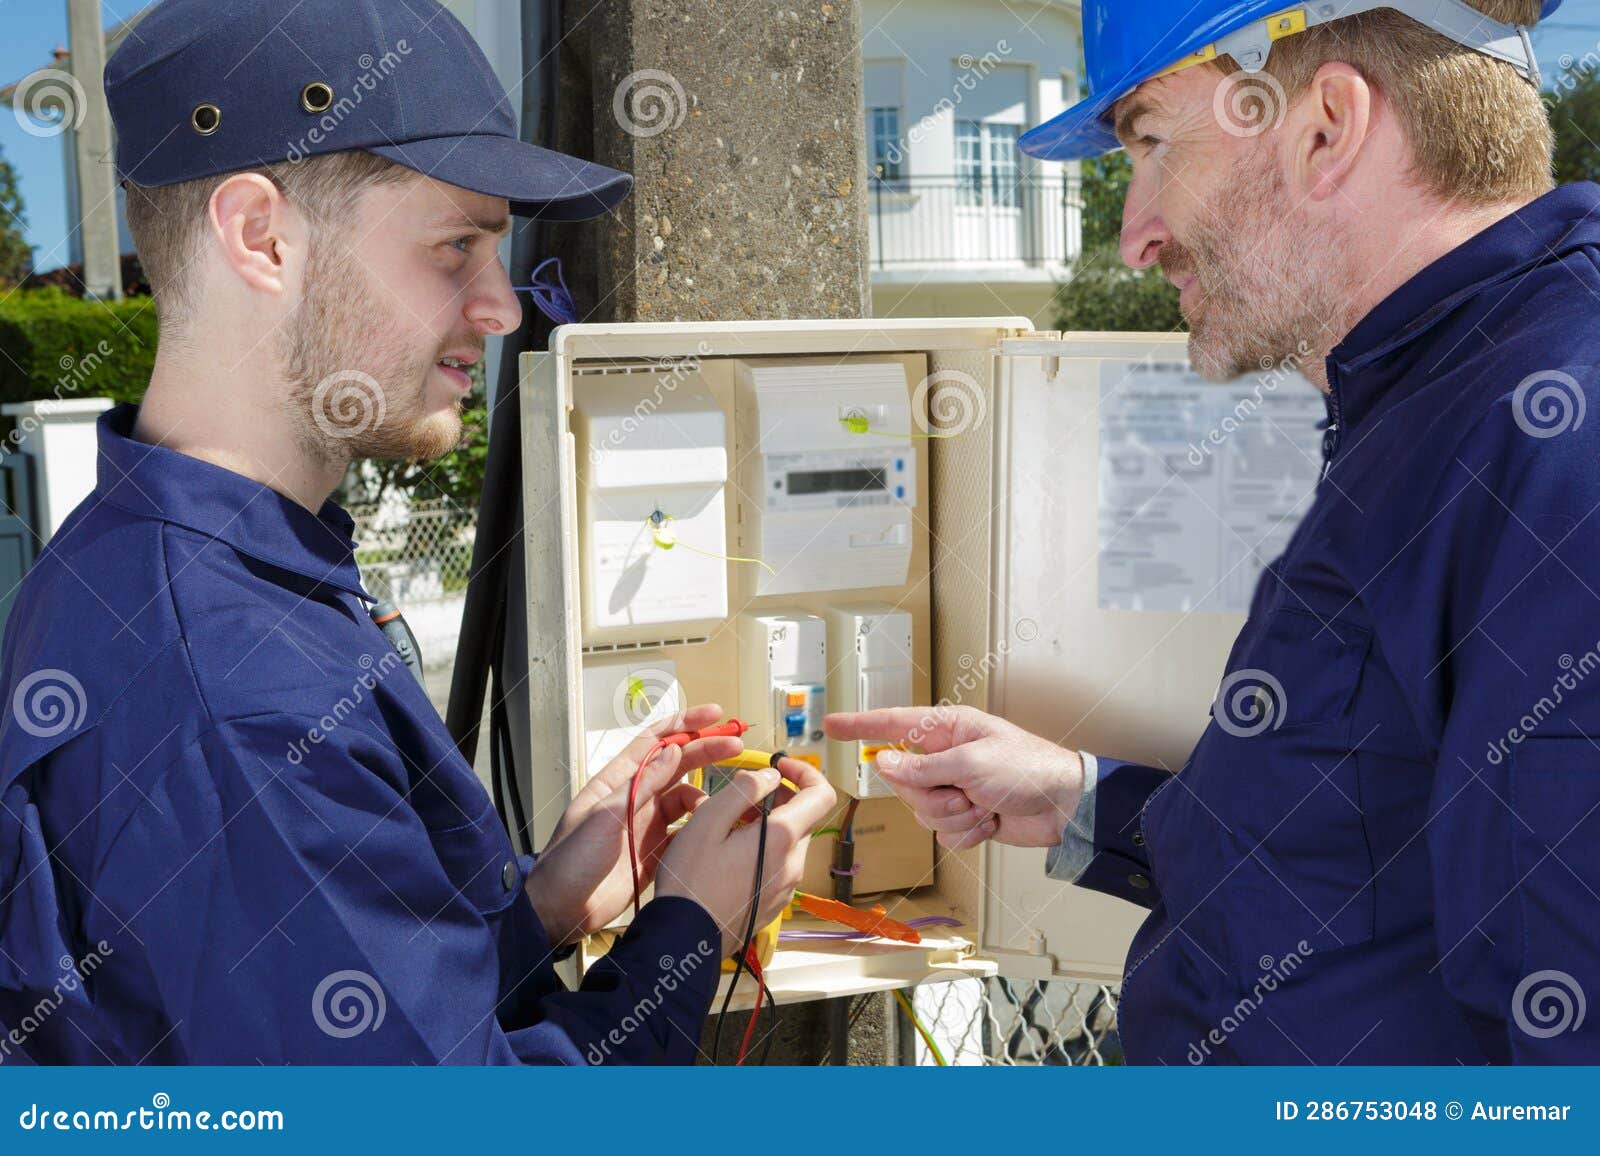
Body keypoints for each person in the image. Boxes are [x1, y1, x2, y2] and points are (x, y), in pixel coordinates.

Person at [0, 0, 832, 1065]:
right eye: (456, 245)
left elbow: (317, 1017)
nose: (500, 306)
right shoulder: (235, 693)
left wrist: (536, 912)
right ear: (260, 237)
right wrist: (688, 932)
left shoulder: (145, 563)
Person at [829, 0, 1600, 1063]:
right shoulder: (1438, 403)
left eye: (1150, 142)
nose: (1133, 233)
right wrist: (1078, 800)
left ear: (1326, 127)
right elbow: (1365, 854)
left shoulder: (1558, 431)